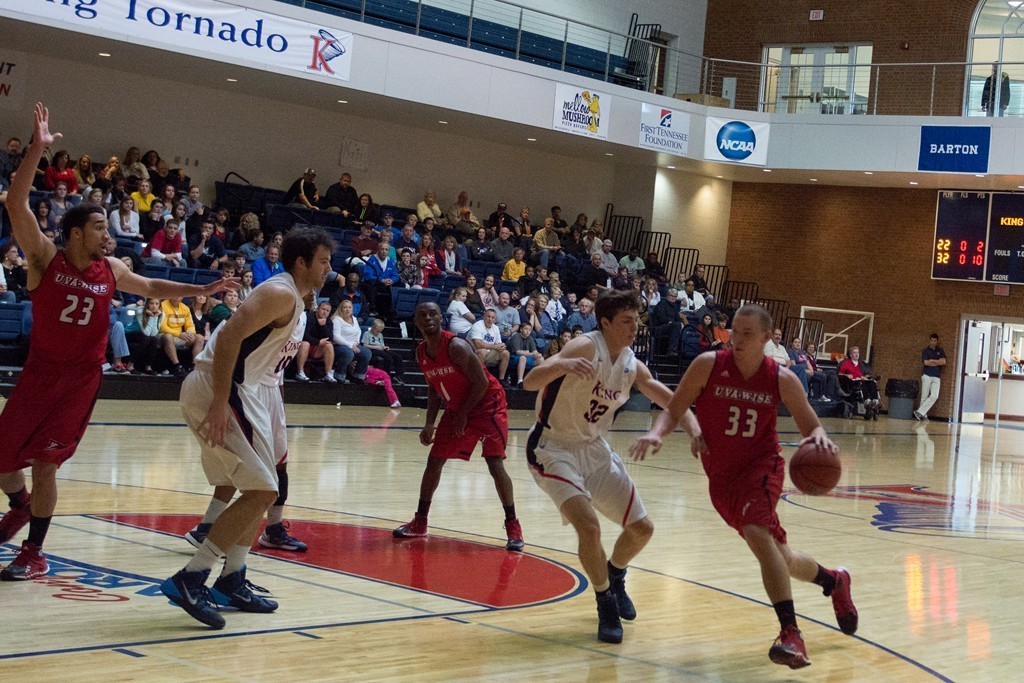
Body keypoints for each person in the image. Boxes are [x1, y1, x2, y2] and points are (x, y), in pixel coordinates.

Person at [0, 103, 238, 580]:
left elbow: (151, 286)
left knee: (46, 464)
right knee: (5, 462)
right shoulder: (45, 259)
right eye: (99, 227)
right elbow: (15, 203)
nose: (107, 234)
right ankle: (21, 505)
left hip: (79, 380)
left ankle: (34, 551)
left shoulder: (110, 269)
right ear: (75, 233)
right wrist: (37, 150)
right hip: (39, 373)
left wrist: (201, 288)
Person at [631, 303, 858, 669]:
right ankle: (834, 581)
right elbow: (675, 408)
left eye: (747, 334)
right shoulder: (707, 364)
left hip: (761, 469)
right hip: (721, 478)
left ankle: (791, 634)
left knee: (756, 532)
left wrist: (819, 438)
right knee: (781, 556)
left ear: (767, 338)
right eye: (734, 331)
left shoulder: (782, 378)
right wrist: (657, 433)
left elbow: (811, 425)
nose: (736, 339)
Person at [163, 227, 334, 629]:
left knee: (260, 490)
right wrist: (220, 401)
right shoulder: (279, 293)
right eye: (323, 262)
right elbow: (228, 339)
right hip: (221, 388)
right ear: (301, 263)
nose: (329, 269)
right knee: (263, 490)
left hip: (245, 390)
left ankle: (232, 577)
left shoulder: (296, 298)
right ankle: (192, 577)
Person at [523, 289, 683, 644]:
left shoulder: (630, 362)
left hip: (594, 448)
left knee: (642, 529)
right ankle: (604, 599)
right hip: (553, 447)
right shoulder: (584, 346)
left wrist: (696, 426)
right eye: (627, 321)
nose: (635, 327)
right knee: (589, 526)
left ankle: (616, 573)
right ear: (606, 323)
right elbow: (529, 382)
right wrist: (561, 366)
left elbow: (660, 393)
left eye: (637, 320)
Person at [393, 302, 524, 551]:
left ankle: (513, 525)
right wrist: (429, 423)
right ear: (416, 322)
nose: (428, 318)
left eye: (433, 313)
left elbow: (482, 383)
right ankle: (420, 521)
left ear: (441, 318)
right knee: (435, 460)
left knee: (494, 463)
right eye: (422, 315)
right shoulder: (421, 352)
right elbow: (434, 388)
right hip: (459, 406)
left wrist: (463, 414)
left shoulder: (456, 346)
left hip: (488, 403)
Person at [838, 346, 880, 419]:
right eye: (854, 353)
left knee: (872, 382)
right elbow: (839, 374)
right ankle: (867, 400)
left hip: (860, 379)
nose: (856, 354)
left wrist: (866, 378)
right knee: (862, 383)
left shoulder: (860, 364)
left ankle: (875, 400)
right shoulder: (846, 363)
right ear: (850, 355)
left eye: (857, 352)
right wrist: (847, 375)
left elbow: (861, 375)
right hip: (851, 382)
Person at [915, 333, 946, 421]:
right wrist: (937, 362)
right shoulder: (925, 351)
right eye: (931, 340)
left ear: (937, 341)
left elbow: (943, 362)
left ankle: (919, 412)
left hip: (936, 376)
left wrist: (932, 360)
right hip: (927, 375)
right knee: (924, 396)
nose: (933, 342)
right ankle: (923, 415)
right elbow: (926, 363)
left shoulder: (940, 350)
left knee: (934, 395)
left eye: (935, 341)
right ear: (929, 341)